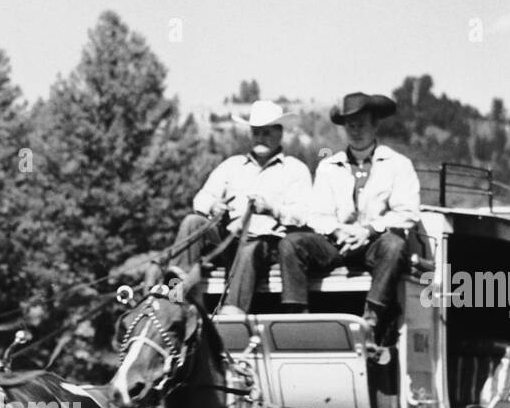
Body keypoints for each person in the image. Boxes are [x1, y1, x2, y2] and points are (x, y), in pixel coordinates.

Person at [276, 92, 420, 342]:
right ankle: (297, 318)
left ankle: (371, 320)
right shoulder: (329, 166)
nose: (355, 131)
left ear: (375, 125)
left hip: (374, 244)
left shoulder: (398, 164)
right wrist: (338, 230)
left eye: (361, 125)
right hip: (337, 243)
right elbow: (316, 214)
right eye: (350, 126)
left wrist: (369, 230)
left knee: (395, 245)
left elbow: (407, 212)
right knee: (291, 243)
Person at [171, 100, 312, 311]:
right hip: (227, 240)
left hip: (267, 244)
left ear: (279, 133)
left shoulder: (295, 170)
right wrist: (214, 206)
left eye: (266, 133)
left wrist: (272, 209)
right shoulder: (232, 166)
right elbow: (201, 198)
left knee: (250, 248)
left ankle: (232, 311)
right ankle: (175, 297)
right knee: (192, 222)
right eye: (256, 132)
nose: (260, 138)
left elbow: (303, 216)